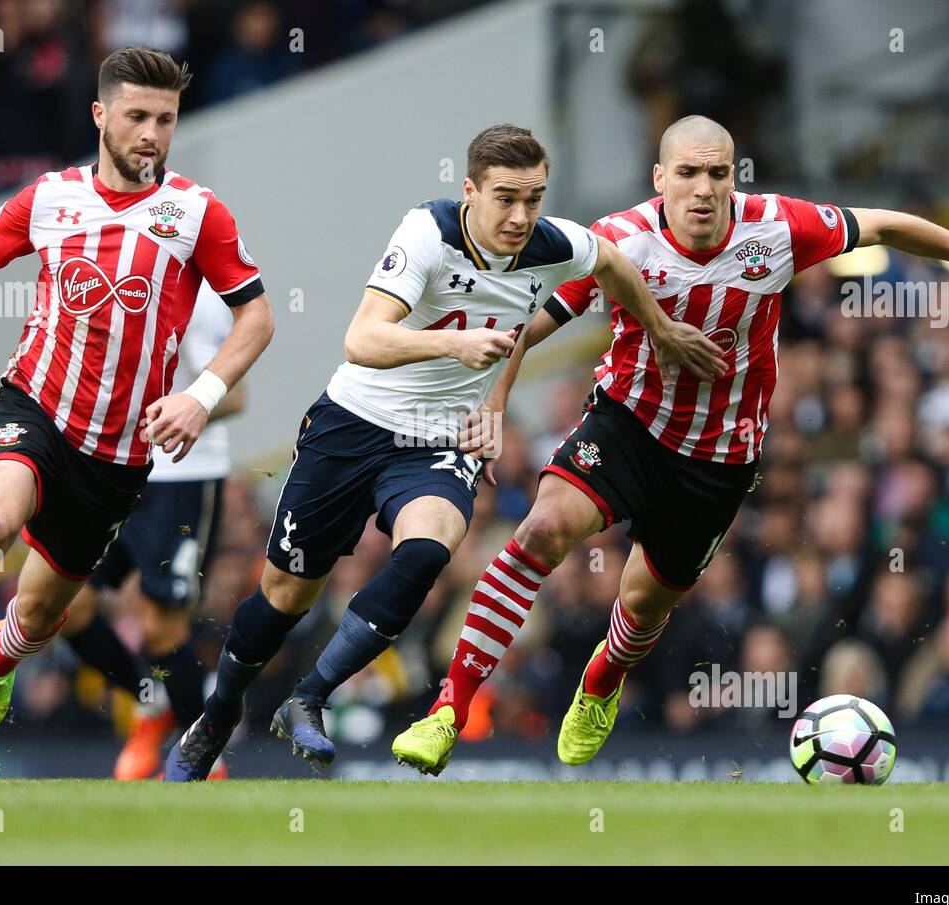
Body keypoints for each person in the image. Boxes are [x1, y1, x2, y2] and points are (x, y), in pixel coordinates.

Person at [391, 114, 949, 775]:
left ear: (733, 176)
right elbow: (528, 322)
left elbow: (887, 224)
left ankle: (603, 679)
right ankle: (448, 710)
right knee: (541, 531)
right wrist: (496, 404)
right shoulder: (620, 237)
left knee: (643, 604)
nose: (704, 188)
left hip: (718, 458)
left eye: (717, 173)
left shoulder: (777, 226)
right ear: (662, 178)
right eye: (687, 172)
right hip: (627, 423)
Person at [163, 123, 718, 780]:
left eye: (533, 198)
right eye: (506, 198)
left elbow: (613, 264)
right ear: (470, 191)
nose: (520, 216)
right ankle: (220, 711)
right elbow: (362, 339)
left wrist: (659, 329)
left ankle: (309, 696)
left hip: (436, 439)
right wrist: (452, 346)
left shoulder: (556, 243)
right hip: (354, 423)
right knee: (285, 595)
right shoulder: (428, 232)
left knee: (429, 547)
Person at [0, 46, 275, 758]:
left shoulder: (197, 215)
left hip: (118, 458)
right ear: (101, 116)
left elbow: (257, 316)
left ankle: (0, 663)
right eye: (136, 116)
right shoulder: (49, 198)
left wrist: (201, 395)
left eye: (165, 119)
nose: (150, 134)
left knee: (42, 612)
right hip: (34, 407)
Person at [61, 280, 245, 779]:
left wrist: (175, 412)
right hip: (110, 470)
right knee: (62, 604)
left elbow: (235, 395)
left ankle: (199, 756)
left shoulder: (203, 296)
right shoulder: (108, 277)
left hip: (180, 476)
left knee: (160, 625)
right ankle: (150, 699)